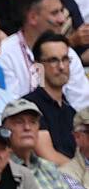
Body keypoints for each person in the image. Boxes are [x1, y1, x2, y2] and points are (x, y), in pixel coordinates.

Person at [5, 94, 89, 189]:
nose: (27, 127)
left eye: (32, 122)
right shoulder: (3, 171)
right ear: (6, 130)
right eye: (19, 122)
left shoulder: (49, 167)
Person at [24, 33, 77, 165]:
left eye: (65, 59)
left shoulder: (71, 110)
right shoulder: (29, 106)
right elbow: (48, 156)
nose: (62, 67)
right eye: (53, 60)